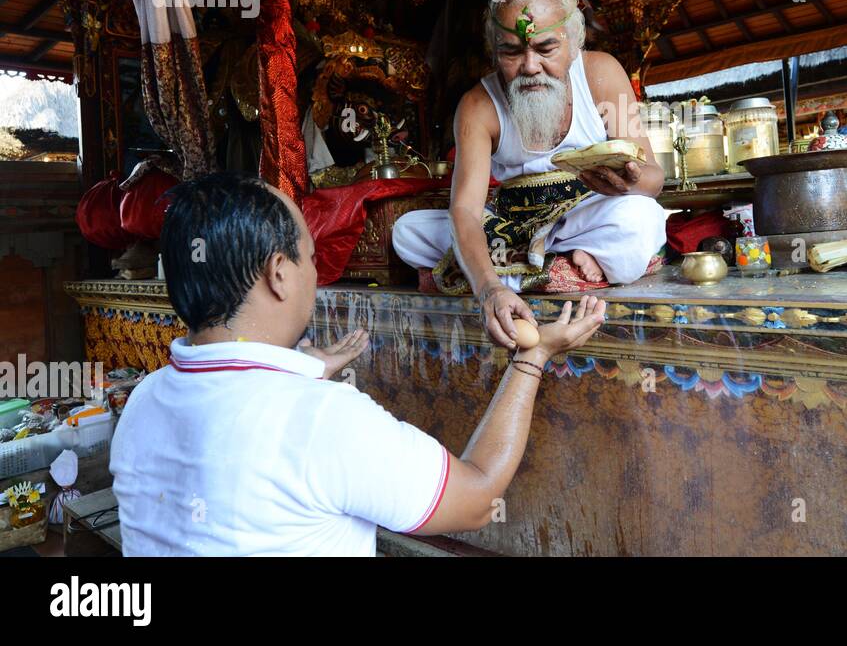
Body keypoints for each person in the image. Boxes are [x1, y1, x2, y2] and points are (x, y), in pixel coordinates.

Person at [110, 171, 606, 555]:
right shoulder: (322, 420)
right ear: (279, 275)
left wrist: (299, 374)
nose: (317, 273)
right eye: (309, 256)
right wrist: (532, 357)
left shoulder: (142, 404)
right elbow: (478, 499)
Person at [392, 0, 667, 348]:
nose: (530, 66)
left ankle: (513, 268)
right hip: (510, 227)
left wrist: (632, 180)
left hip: (584, 216)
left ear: (573, 42)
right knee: (408, 232)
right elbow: (466, 211)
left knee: (640, 217)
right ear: (494, 50)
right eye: (512, 51)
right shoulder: (477, 105)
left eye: (546, 48)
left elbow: (655, 178)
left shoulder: (601, 74)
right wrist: (489, 291)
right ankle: (555, 268)